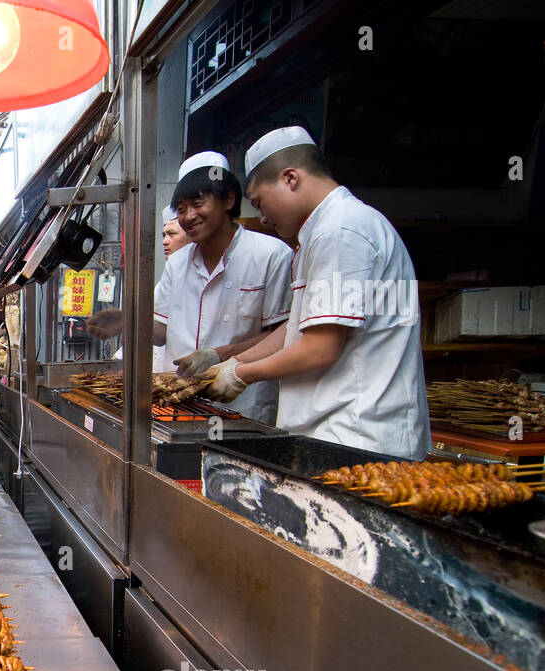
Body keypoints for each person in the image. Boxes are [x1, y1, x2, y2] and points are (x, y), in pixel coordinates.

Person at [206, 127, 430, 460]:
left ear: (290, 178)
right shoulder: (327, 231)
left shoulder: (341, 230)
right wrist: (230, 361)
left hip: (358, 438)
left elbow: (319, 349)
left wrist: (241, 375)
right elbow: (296, 328)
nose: (263, 218)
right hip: (338, 434)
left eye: (259, 203)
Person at [155, 151, 292, 424]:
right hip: (181, 406)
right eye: (181, 209)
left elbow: (284, 334)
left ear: (229, 200)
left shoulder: (271, 255)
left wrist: (220, 356)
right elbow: (159, 330)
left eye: (198, 204)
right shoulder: (178, 262)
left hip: (242, 408)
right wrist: (125, 322)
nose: (189, 216)